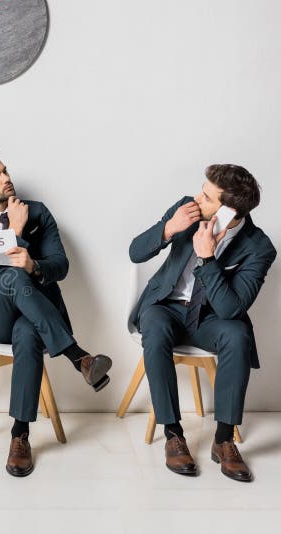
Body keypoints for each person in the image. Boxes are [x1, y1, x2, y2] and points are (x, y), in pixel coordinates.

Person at [0, 146, 112, 477]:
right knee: (11, 276)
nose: (7, 178)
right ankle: (78, 356)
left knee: (27, 332)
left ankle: (19, 435)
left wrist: (36, 265)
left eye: (5, 170)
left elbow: (61, 266)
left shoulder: (38, 211)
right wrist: (17, 234)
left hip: (34, 316)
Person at [129, 164, 275, 482]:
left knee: (237, 335)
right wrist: (169, 227)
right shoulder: (187, 209)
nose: (198, 197)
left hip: (210, 319)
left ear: (228, 211)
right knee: (153, 326)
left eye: (207, 196)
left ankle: (223, 440)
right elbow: (135, 252)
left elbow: (231, 309)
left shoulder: (259, 248)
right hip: (166, 307)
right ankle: (173, 434)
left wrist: (207, 259)